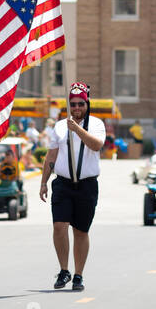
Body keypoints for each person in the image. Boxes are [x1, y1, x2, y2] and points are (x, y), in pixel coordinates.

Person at [39, 81, 105, 292]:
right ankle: (64, 269)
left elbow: (96, 145)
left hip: (86, 185)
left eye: (80, 104)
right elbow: (51, 155)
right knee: (59, 226)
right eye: (73, 104)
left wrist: (77, 129)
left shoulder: (96, 124)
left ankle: (78, 274)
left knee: (80, 231)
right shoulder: (59, 126)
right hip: (63, 184)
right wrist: (43, 182)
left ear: (87, 104)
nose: (76, 108)